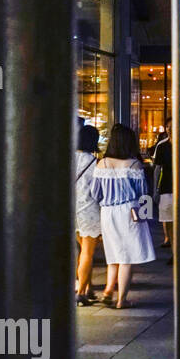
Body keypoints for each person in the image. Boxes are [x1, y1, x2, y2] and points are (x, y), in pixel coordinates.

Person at [91, 123, 155, 309]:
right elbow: (143, 192)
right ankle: (122, 300)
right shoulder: (134, 164)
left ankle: (108, 290)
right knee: (127, 257)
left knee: (113, 254)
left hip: (108, 212)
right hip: (129, 211)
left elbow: (95, 193)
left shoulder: (101, 163)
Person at [74, 123, 102, 305]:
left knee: (82, 251)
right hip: (88, 211)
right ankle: (80, 292)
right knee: (87, 252)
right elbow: (97, 191)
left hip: (71, 210)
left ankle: (89, 288)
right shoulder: (93, 162)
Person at [151, 128, 174, 251]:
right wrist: (156, 189)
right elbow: (157, 169)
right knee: (168, 219)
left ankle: (177, 251)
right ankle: (172, 246)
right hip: (166, 187)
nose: (171, 129)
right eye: (169, 127)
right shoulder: (162, 146)